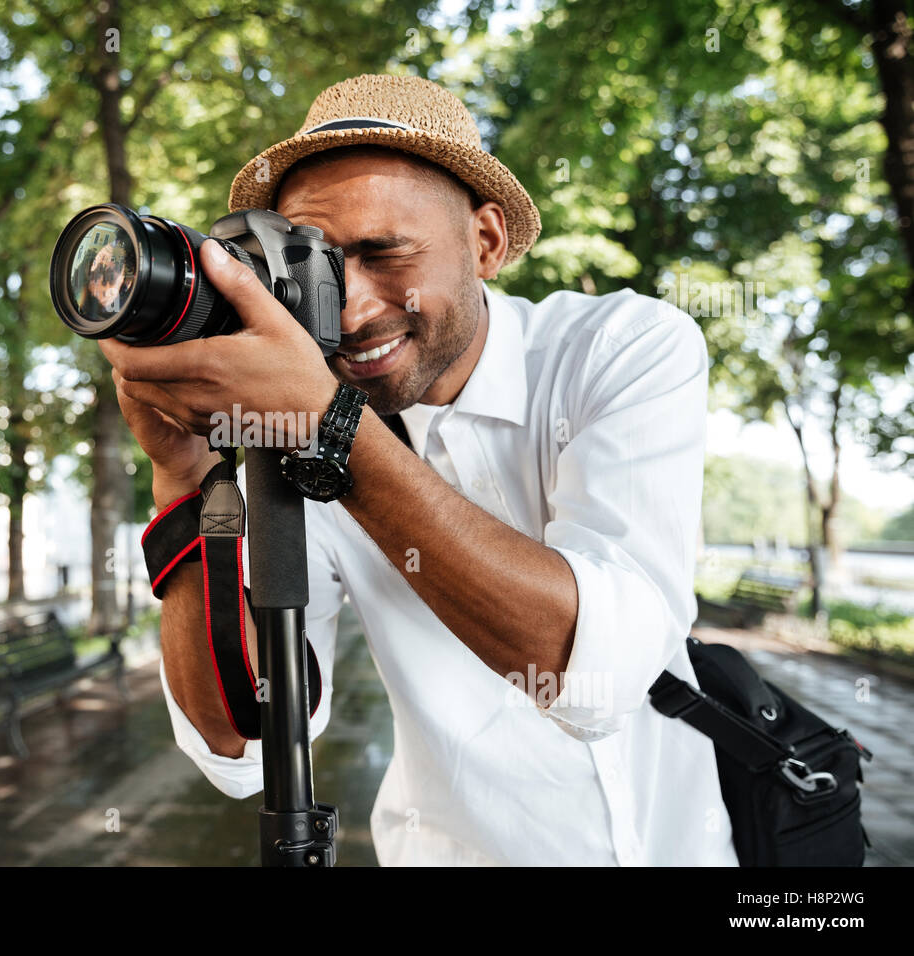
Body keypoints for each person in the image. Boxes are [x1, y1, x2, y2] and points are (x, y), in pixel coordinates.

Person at [99, 73, 738, 866]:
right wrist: (182, 480)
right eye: (320, 267)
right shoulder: (284, 439)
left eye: (384, 253)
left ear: (487, 242)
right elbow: (239, 744)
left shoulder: (621, 349)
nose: (354, 307)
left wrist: (333, 429)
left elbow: (597, 668)